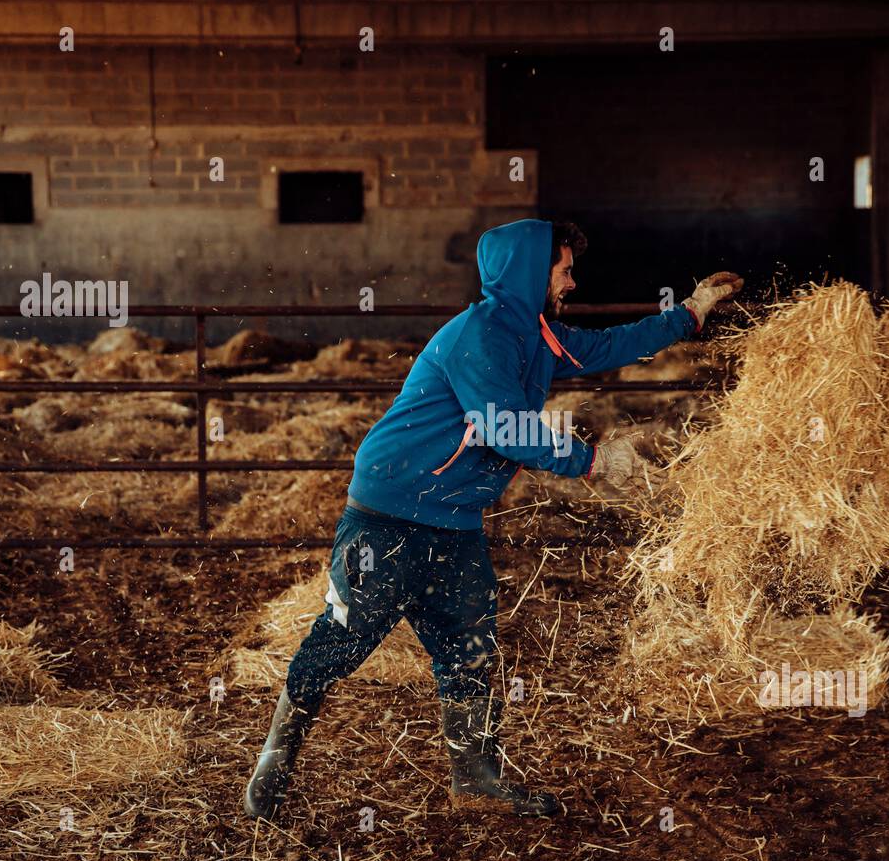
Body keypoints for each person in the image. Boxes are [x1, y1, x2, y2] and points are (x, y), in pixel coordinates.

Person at [244, 218, 738, 820]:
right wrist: (590, 461)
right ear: (530, 271)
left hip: (455, 519)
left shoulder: (535, 335)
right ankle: (277, 754)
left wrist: (688, 313)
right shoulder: (479, 334)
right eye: (563, 269)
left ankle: (475, 775)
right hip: (391, 513)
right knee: (346, 638)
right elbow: (506, 427)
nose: (572, 281)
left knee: (469, 646)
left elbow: (607, 346)